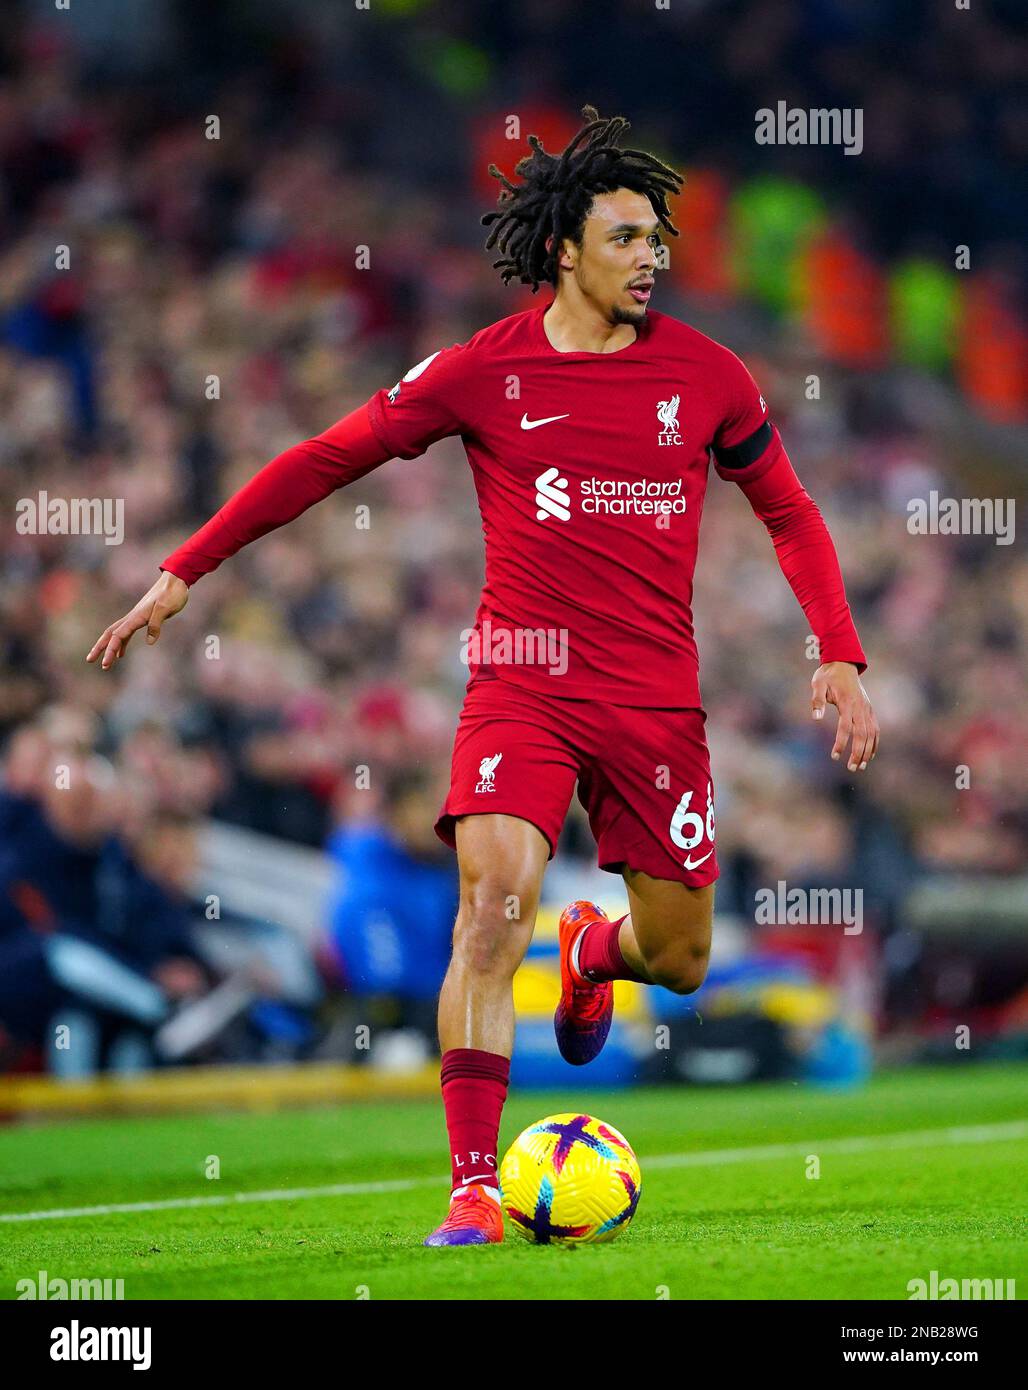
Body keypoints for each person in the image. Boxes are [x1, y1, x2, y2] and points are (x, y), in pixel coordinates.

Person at [86, 106, 878, 1246]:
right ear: (564, 249)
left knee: (684, 958)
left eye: (657, 238)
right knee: (488, 909)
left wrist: (838, 652)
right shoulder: (482, 372)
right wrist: (184, 569)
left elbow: (790, 513)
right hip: (521, 684)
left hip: (654, 703)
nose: (651, 257)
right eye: (625, 238)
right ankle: (471, 1184)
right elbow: (325, 456)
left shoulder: (709, 377)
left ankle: (596, 950)